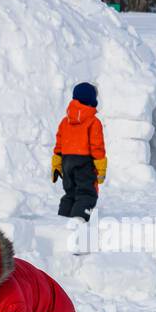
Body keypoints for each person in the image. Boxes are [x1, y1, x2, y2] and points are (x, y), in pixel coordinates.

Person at [53, 82, 107, 221]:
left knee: (70, 193)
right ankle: (78, 221)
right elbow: (97, 147)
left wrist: (57, 163)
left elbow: (59, 143)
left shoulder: (66, 121)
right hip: (84, 162)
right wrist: (101, 168)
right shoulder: (93, 122)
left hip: (67, 162)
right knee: (86, 194)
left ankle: (62, 221)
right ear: (91, 99)